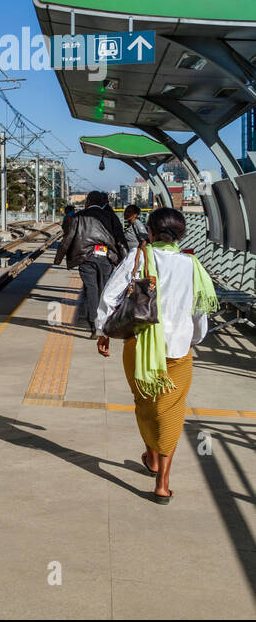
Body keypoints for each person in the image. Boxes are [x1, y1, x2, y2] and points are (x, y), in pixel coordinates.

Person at [94, 208, 216, 504]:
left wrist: (103, 331)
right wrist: (193, 338)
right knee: (170, 413)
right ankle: (162, 483)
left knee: (145, 404)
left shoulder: (139, 257)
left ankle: (151, 454)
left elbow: (110, 296)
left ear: (150, 232)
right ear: (182, 234)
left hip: (138, 346)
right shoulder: (192, 265)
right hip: (176, 350)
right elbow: (199, 312)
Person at [54, 191, 130, 337]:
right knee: (105, 291)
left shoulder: (79, 216)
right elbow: (120, 240)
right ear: (103, 203)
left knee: (91, 292)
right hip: (106, 258)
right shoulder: (111, 216)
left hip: (86, 258)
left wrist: (58, 258)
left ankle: (95, 326)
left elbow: (67, 239)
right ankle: (104, 324)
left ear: (87, 202)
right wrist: (125, 260)